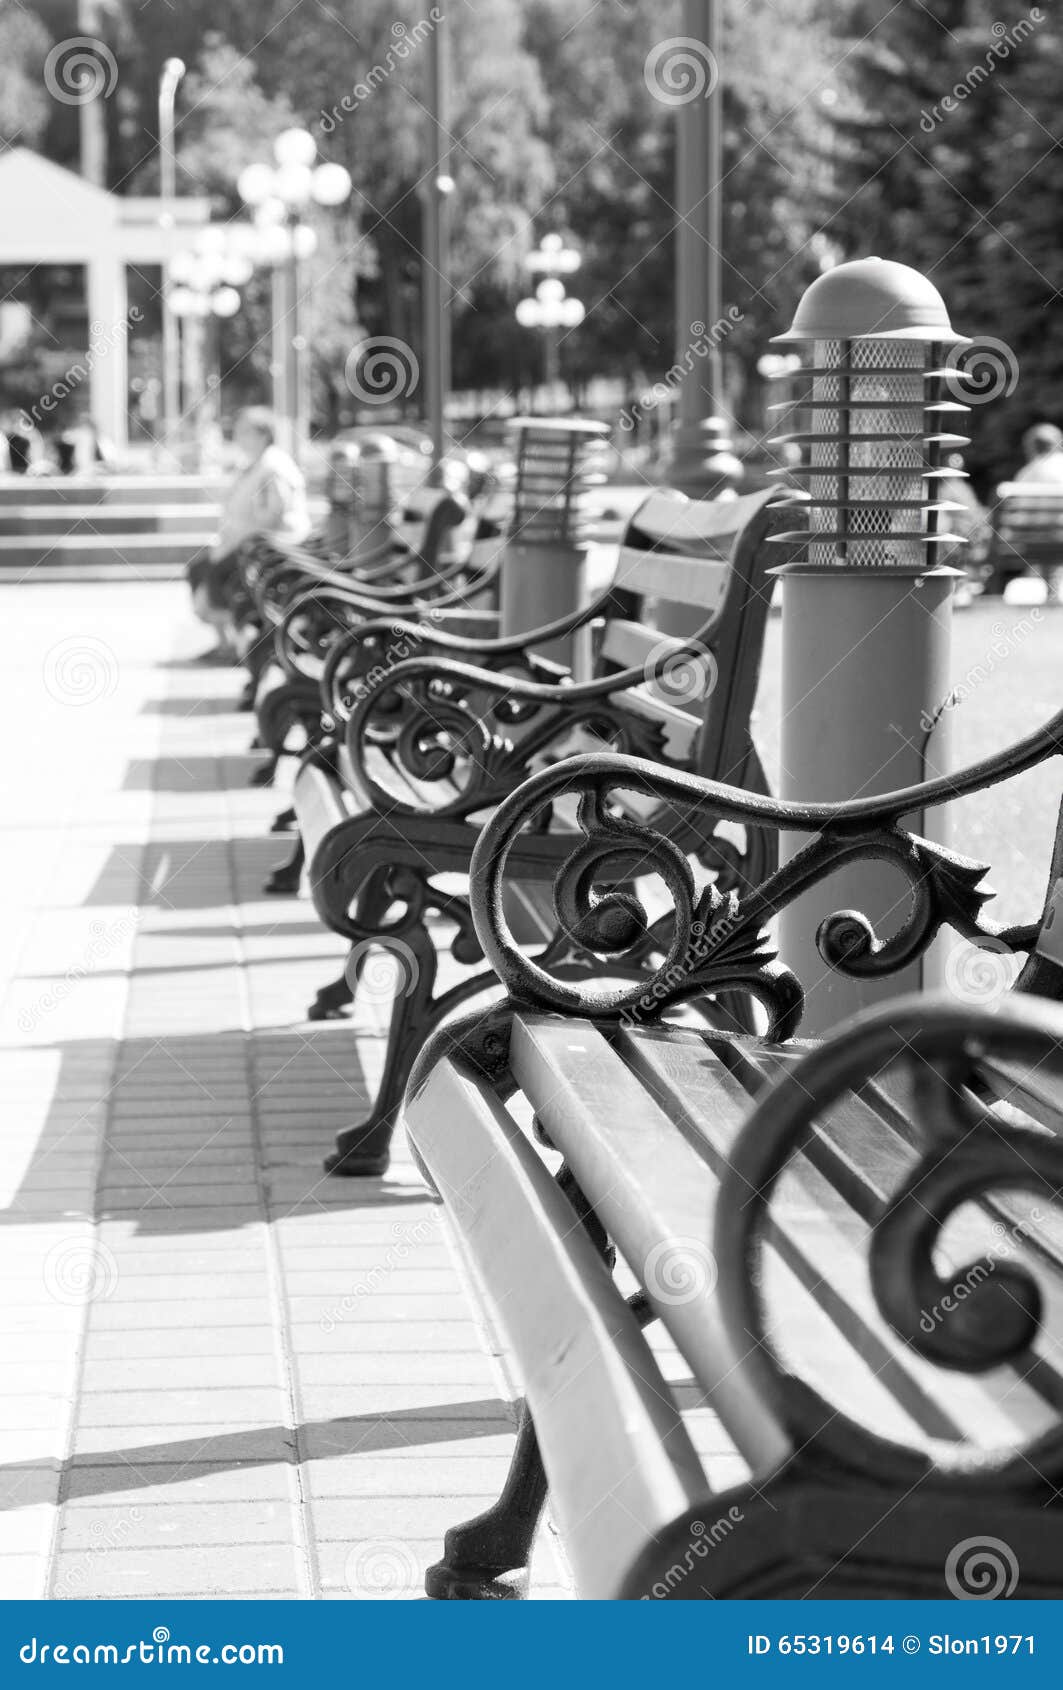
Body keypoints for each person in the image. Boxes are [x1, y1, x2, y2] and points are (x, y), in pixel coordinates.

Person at [188, 407, 311, 660]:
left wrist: (237, 539)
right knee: (198, 568)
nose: (238, 437)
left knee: (217, 572)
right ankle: (227, 642)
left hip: (270, 546)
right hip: (247, 541)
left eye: (246, 431)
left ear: (264, 434)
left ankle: (236, 644)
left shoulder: (273, 465)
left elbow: (274, 515)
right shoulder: (255, 463)